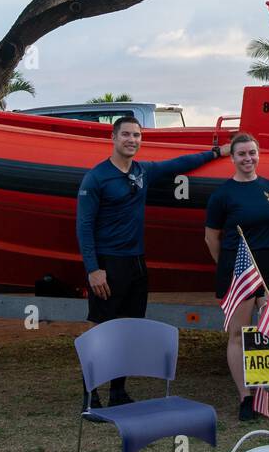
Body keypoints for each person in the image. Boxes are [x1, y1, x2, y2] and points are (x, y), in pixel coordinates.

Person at [76, 117, 220, 408]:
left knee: (130, 328)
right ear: (114, 138)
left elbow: (179, 164)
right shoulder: (97, 177)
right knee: (100, 329)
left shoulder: (143, 172)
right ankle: (90, 396)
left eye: (137, 135)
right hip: (108, 263)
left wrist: (217, 153)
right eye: (126, 135)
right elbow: (83, 225)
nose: (132, 140)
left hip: (136, 263)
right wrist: (93, 269)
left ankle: (118, 392)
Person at [204, 133, 269, 422]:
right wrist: (228, 266)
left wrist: (263, 254)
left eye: (252, 153)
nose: (247, 158)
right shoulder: (222, 195)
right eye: (241, 154)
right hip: (238, 267)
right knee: (238, 335)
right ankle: (246, 397)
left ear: (258, 155)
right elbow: (211, 238)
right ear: (232, 158)